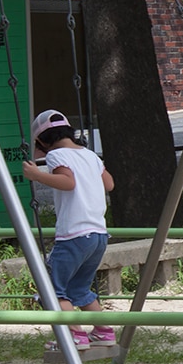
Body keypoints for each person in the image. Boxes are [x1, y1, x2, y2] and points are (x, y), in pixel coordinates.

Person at [22, 109, 115, 350]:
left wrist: (37, 175)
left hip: (73, 234)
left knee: (53, 289)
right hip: (98, 235)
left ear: (42, 142)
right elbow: (109, 184)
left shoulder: (56, 155)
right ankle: (104, 331)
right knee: (79, 288)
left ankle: (74, 335)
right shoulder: (89, 155)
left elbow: (68, 182)